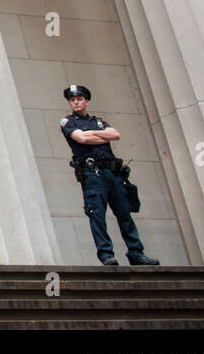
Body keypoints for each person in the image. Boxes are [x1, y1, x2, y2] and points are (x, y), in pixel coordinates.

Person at [59, 84, 159, 266]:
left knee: (124, 213)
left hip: (113, 173)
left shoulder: (98, 121)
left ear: (86, 100)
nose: (76, 102)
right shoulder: (68, 122)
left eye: (79, 99)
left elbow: (115, 134)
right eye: (72, 100)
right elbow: (81, 139)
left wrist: (93, 134)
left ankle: (136, 253)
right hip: (92, 173)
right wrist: (102, 136)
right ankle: (106, 254)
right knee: (97, 214)